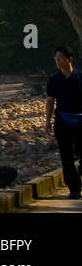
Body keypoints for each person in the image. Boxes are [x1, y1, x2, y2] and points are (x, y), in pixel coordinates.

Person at [46, 46, 82, 198]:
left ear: (69, 59)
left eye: (60, 57)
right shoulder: (54, 79)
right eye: (56, 58)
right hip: (62, 120)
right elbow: (50, 100)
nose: (58, 60)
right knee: (66, 156)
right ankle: (74, 188)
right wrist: (47, 120)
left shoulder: (80, 77)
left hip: (81, 120)